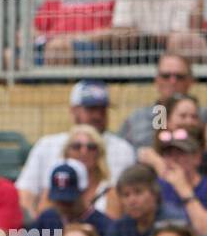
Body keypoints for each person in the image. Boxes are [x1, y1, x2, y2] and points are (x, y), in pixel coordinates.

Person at [17, 81, 137, 219]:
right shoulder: (47, 145)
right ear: (73, 111)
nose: (97, 115)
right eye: (91, 109)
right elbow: (25, 194)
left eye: (102, 109)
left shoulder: (123, 149)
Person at [119, 54, 207, 150]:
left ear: (191, 81)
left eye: (179, 77)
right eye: (166, 76)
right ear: (157, 80)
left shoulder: (205, 116)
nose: (172, 81)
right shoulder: (140, 117)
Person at [145, 123, 207, 231]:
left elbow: (206, 230)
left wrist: (183, 188)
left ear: (197, 157)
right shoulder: (157, 186)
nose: (173, 160)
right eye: (169, 154)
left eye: (180, 153)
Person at [29, 160, 114, 236]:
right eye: (59, 200)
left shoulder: (104, 225)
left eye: (68, 201)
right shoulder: (47, 219)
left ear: (84, 191)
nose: (63, 206)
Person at [105, 163, 162, 236]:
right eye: (126, 195)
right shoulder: (118, 228)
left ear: (154, 193)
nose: (132, 200)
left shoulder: (172, 224)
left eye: (138, 192)